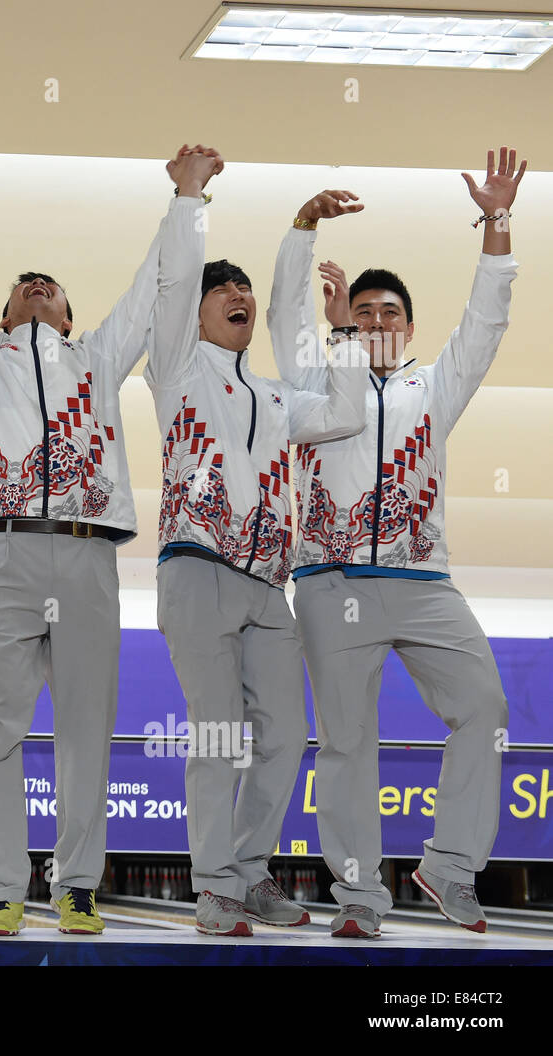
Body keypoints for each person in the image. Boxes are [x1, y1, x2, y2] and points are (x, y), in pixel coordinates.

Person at [0, 142, 211, 936]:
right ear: (5, 311)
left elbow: (161, 286)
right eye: (23, 285)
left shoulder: (100, 359)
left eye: (51, 287)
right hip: (0, 550)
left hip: (87, 551)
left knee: (87, 725)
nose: (36, 286)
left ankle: (77, 883)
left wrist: (186, 199)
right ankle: (1, 888)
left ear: (71, 317)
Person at [270, 149, 524, 937]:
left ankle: (450, 870)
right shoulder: (313, 379)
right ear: (347, 321)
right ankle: (358, 900)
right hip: (330, 581)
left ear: (408, 328)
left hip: (423, 582)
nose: (377, 323)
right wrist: (302, 230)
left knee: (483, 710)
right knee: (346, 742)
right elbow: (285, 314)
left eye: (390, 314)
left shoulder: (433, 389)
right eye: (365, 312)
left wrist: (498, 222)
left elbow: (487, 319)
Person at [146, 146, 369, 937]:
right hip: (196, 571)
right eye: (225, 288)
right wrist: (190, 198)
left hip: (268, 587)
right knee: (214, 731)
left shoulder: (275, 395)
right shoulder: (175, 370)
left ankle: (247, 874)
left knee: (285, 734)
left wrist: (336, 321)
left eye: (243, 287)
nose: (237, 294)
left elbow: (344, 410)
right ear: (199, 313)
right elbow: (172, 286)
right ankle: (212, 887)